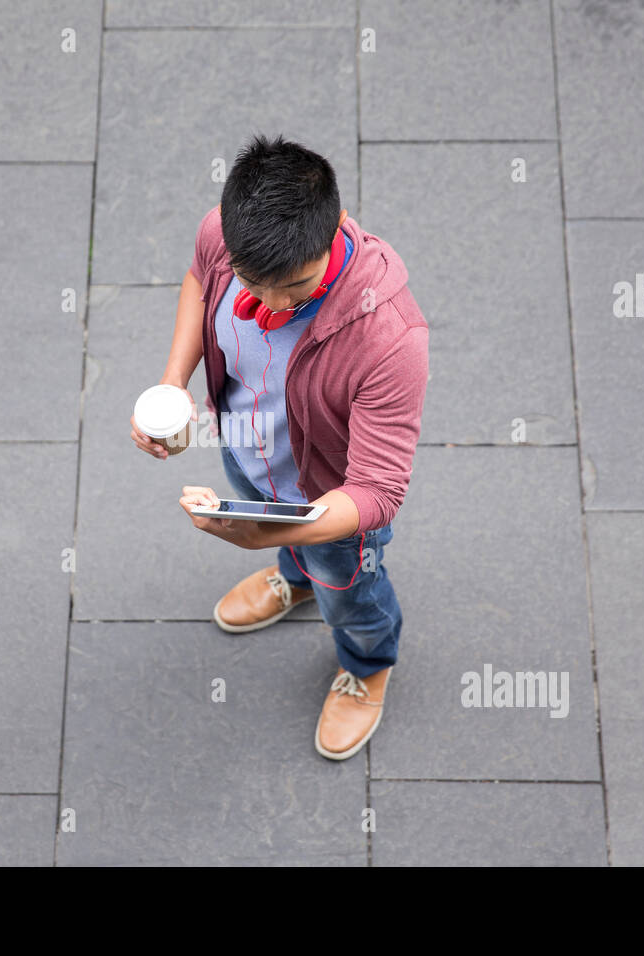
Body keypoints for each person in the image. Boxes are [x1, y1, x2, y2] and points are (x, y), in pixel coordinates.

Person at [130, 133, 429, 760]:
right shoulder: (222, 232)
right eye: (252, 282)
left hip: (328, 501)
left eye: (295, 287)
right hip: (247, 451)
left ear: (337, 228)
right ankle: (294, 578)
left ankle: (368, 664)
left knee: (351, 591)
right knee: (281, 533)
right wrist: (172, 386)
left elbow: (378, 492)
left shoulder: (389, 337)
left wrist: (277, 532)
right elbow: (196, 280)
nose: (271, 305)